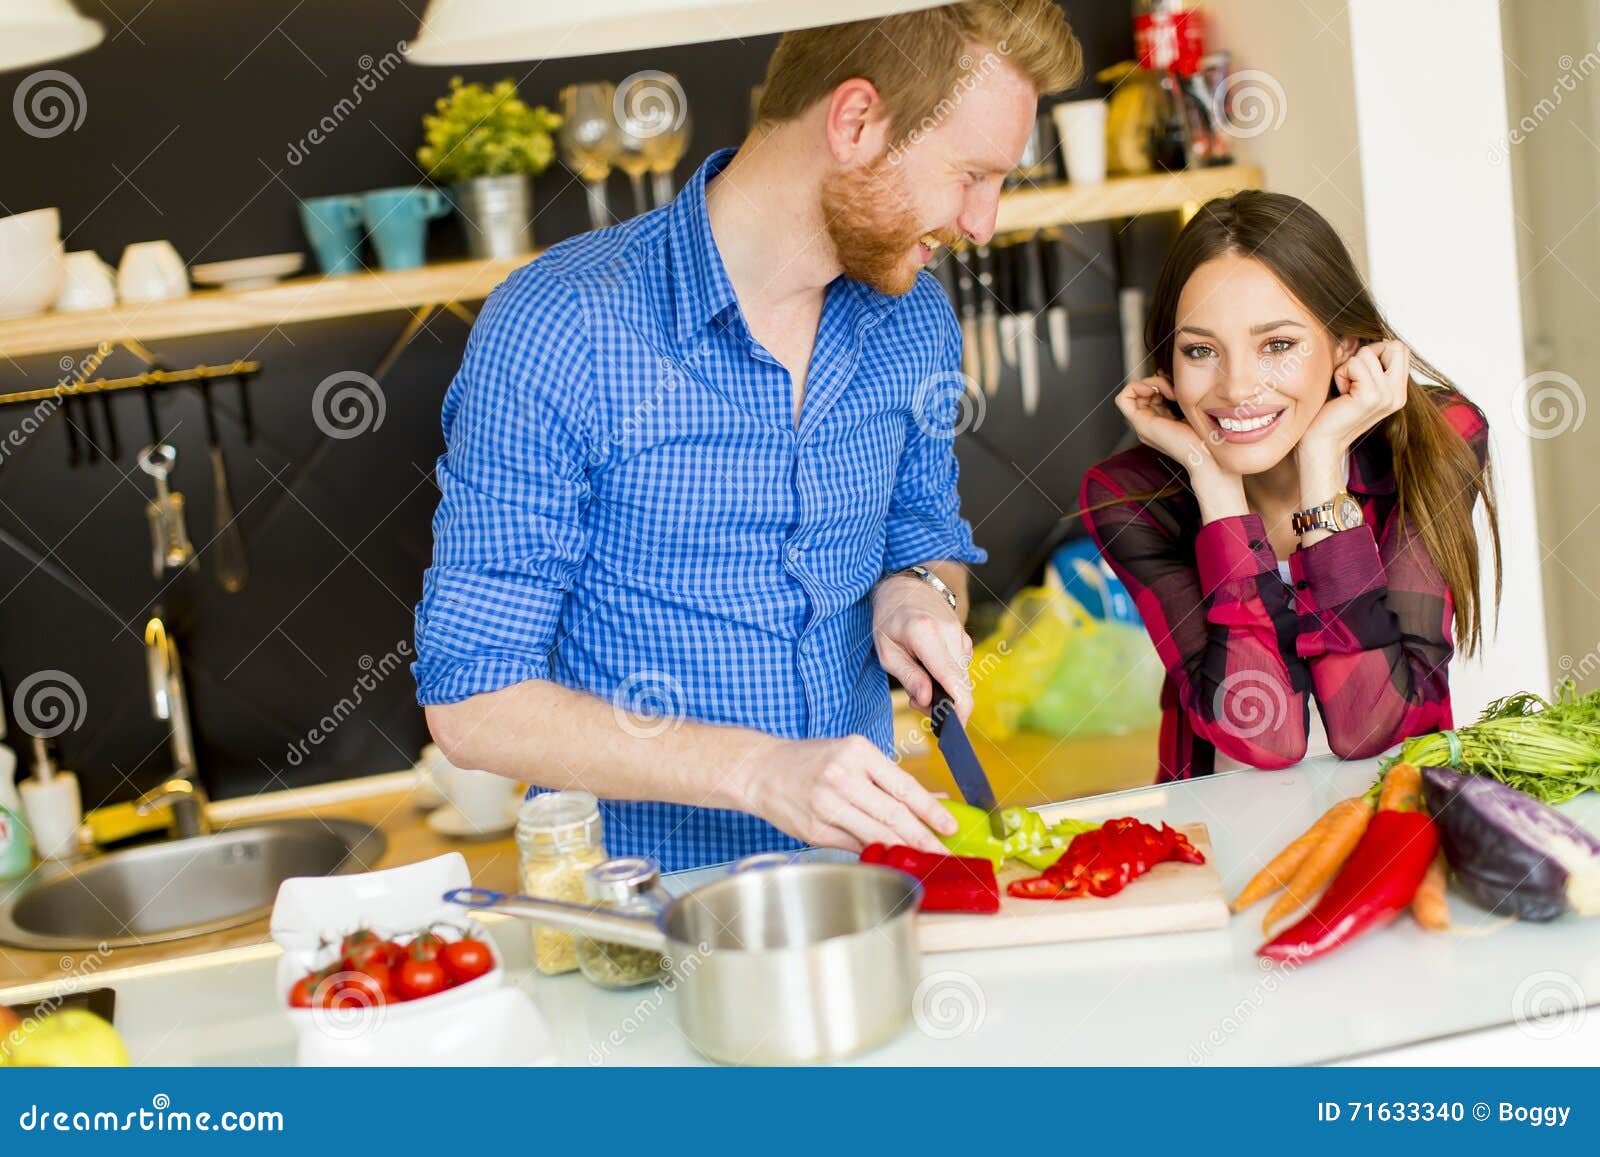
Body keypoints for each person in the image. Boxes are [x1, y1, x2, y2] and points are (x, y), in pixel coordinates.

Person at [413, 3, 1084, 870]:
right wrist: (759, 771)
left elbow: (924, 534)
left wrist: (919, 593)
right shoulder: (560, 326)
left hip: (866, 894)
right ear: (855, 121)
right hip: (649, 922)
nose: (984, 223)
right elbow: (473, 702)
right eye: (971, 175)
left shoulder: (911, 314)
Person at [1079, 190, 1501, 782]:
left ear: (1344, 347)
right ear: (1168, 366)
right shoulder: (1130, 497)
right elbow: (1266, 737)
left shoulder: (1438, 441)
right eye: (1201, 351)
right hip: (1223, 837)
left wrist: (1322, 467)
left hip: (1398, 825)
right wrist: (1216, 487)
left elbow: (1370, 725)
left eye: (1277, 345)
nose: (1237, 388)